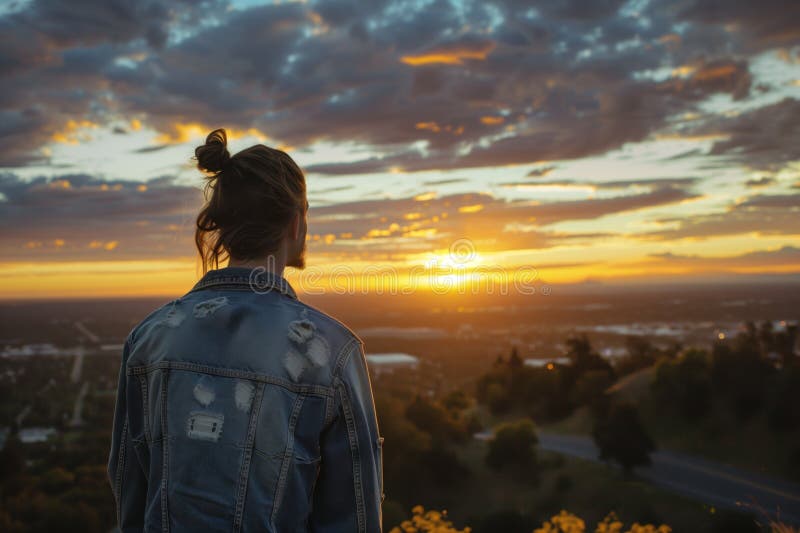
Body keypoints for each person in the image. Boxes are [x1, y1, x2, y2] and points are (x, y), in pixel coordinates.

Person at [107, 129, 384, 532]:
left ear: (221, 224)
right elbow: (354, 519)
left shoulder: (149, 339)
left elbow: (131, 495)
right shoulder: (332, 354)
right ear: (296, 223)